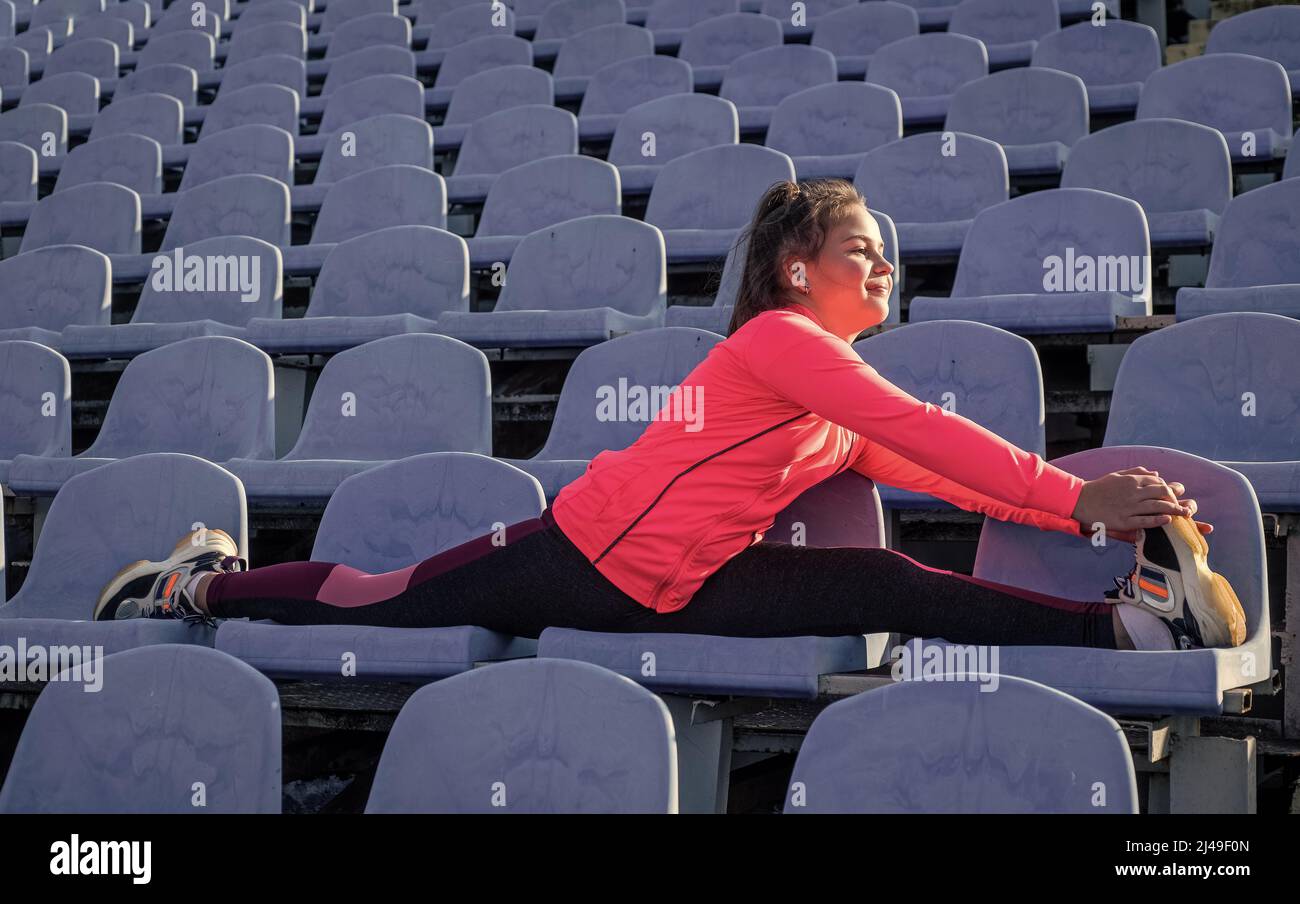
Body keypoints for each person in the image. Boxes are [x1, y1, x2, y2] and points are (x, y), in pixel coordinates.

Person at [100, 179, 1247, 651]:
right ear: (798, 271)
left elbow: (943, 472)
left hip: (691, 580)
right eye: (863, 249)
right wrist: (1077, 492)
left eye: (892, 254)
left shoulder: (830, 389)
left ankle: (1127, 626)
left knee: (894, 585)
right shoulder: (781, 344)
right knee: (379, 598)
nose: (887, 266)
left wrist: (1077, 517)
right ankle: (197, 580)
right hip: (582, 553)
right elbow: (925, 424)